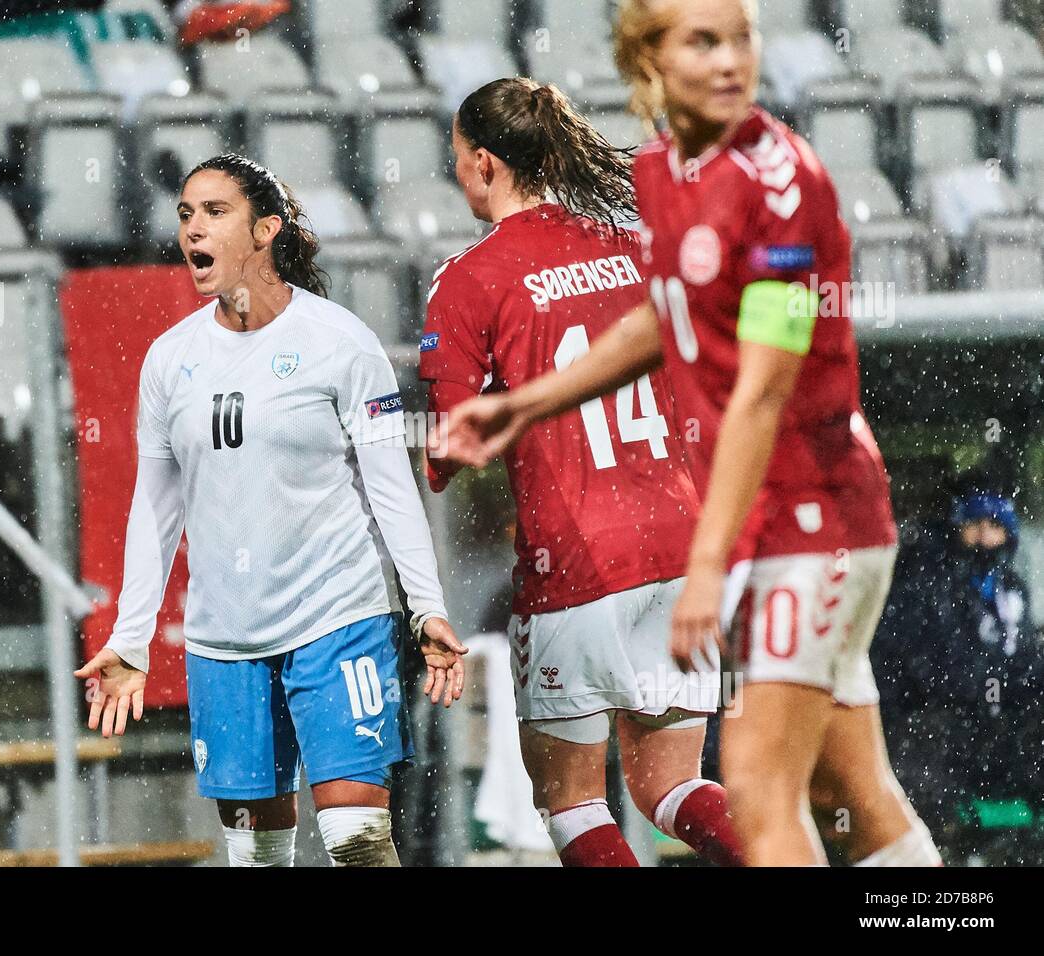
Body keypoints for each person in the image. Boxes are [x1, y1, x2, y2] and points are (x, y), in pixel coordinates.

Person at [434, 0, 940, 867]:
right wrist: (525, 404)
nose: (731, 59)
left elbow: (766, 383)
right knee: (847, 790)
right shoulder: (666, 179)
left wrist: (710, 564)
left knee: (762, 789)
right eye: (703, 41)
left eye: (742, 37)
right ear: (648, 60)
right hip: (760, 527)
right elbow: (659, 323)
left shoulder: (781, 177)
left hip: (809, 517)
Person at [74, 154, 467, 867]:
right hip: (225, 641)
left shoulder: (340, 342)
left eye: (214, 212)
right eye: (185, 214)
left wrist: (425, 606)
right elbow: (156, 509)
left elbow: (390, 487)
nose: (193, 228)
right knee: (257, 857)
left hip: (337, 620)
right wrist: (131, 637)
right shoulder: (169, 360)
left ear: (265, 231)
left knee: (356, 841)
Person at [421, 77, 741, 866]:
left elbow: (449, 453)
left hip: (577, 560)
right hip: (681, 547)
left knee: (569, 801)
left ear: (486, 164)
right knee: (671, 787)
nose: (459, 173)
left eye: (459, 158)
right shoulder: (633, 249)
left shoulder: (469, 281)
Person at [873, 487, 1042, 859]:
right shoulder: (926, 580)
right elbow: (930, 666)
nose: (984, 534)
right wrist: (988, 689)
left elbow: (1024, 661)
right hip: (931, 721)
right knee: (929, 773)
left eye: (995, 524)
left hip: (992, 723)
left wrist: (1018, 694)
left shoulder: (1011, 589)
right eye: (974, 523)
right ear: (957, 526)